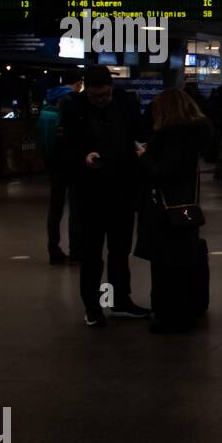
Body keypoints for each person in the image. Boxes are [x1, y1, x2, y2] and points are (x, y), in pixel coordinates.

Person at [57, 66, 150, 327]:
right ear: (87, 90)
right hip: (90, 192)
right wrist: (82, 157)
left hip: (121, 188)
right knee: (91, 254)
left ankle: (120, 300)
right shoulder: (72, 108)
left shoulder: (125, 104)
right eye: (96, 96)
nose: (101, 100)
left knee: (120, 250)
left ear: (111, 88)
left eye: (105, 94)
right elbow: (64, 150)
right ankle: (92, 306)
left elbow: (136, 135)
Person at [137, 89, 213, 334]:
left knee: (165, 266)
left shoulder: (170, 137)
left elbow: (162, 173)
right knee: (185, 263)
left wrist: (144, 157)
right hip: (185, 209)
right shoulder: (194, 134)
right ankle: (187, 310)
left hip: (165, 211)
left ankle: (168, 315)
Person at [38, 69, 83, 265]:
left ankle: (53, 249)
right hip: (73, 162)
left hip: (54, 162)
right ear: (79, 83)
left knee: (55, 207)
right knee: (76, 208)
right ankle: (76, 251)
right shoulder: (74, 101)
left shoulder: (48, 101)